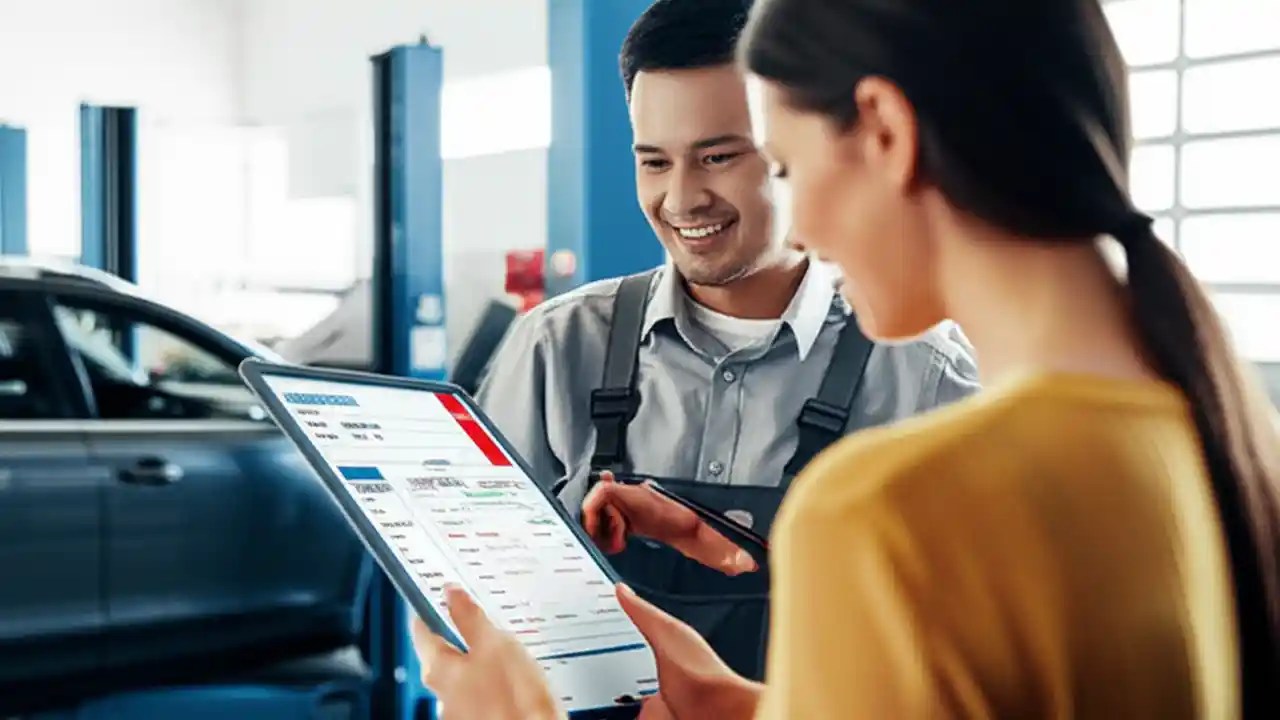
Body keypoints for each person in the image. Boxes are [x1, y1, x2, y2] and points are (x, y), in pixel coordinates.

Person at [411, 0, 1280, 717]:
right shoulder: (1212, 443)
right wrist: (737, 704)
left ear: (885, 133)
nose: (808, 230)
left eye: (781, 165)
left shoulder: (881, 510)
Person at [472, 0, 979, 680]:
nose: (682, 199)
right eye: (654, 163)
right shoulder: (553, 350)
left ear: (801, 150)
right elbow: (470, 608)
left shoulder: (926, 378)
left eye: (718, 157)